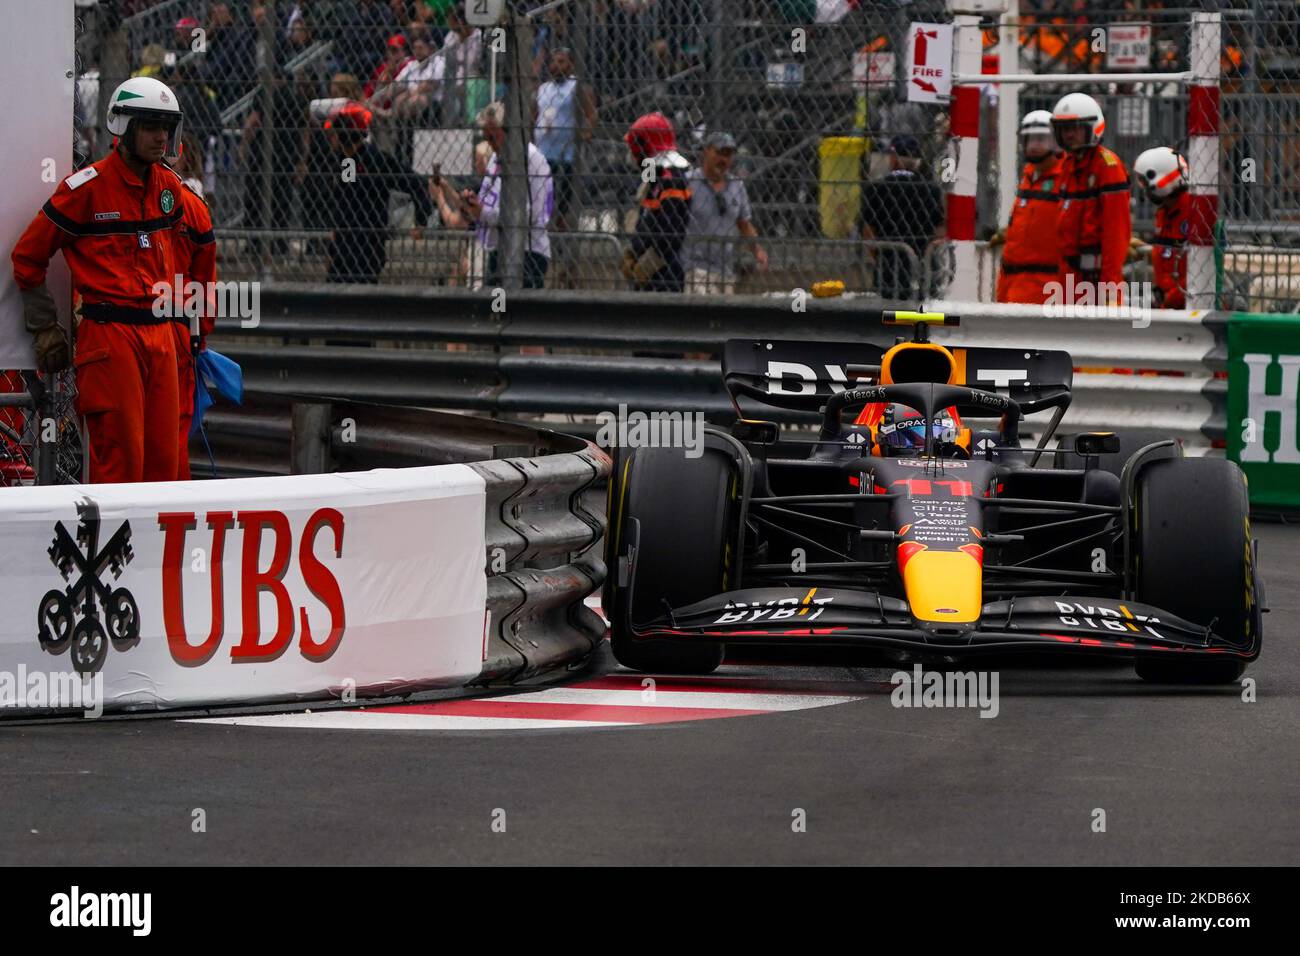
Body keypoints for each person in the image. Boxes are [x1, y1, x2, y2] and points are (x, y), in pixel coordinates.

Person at [11, 77, 188, 483]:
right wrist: (43, 327)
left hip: (161, 339)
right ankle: (112, 550)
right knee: (121, 466)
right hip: (111, 340)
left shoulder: (170, 189)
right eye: (150, 125)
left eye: (166, 126)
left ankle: (156, 549)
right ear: (123, 126)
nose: (161, 137)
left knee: (167, 467)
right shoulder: (85, 190)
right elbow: (27, 256)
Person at [444, 102, 554, 289]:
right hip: (498, 249)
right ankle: (499, 316)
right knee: (497, 307)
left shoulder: (534, 161)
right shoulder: (497, 158)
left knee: (521, 310)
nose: (491, 145)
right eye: (487, 139)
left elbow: (532, 215)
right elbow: (488, 198)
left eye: (494, 138)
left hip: (528, 252)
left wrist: (486, 213)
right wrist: (474, 204)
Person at [323, 102, 433, 283]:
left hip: (368, 244)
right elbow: (346, 200)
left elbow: (416, 183)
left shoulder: (377, 160)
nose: (331, 138)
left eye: (335, 133)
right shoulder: (347, 160)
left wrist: (420, 220)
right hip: (345, 244)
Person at [1051, 92, 1132, 305]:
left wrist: (1110, 287)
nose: (1069, 135)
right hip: (1068, 277)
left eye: (1076, 128)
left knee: (1096, 337)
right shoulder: (1068, 165)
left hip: (1095, 280)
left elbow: (1116, 232)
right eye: (1065, 129)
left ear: (1092, 127)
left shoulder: (1108, 167)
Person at [166, 152, 218, 480]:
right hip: (173, 329)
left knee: (170, 437)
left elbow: (205, 283)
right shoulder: (192, 203)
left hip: (175, 331)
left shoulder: (191, 204)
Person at [859, 134, 945, 300]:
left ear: (893, 158)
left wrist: (879, 256)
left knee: (888, 312)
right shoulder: (931, 190)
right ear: (917, 161)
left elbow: (868, 232)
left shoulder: (877, 188)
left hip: (889, 267)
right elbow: (939, 232)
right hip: (922, 268)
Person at [681, 131, 767, 295]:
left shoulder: (737, 186)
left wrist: (757, 250)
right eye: (719, 153)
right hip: (694, 267)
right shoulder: (689, 181)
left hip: (725, 269)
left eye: (728, 155)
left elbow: (744, 224)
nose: (723, 160)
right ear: (706, 151)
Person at [994, 110, 1065, 304]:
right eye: (1030, 139)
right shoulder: (1028, 177)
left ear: (1055, 141)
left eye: (1041, 139)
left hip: (1044, 284)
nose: (1034, 146)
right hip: (1012, 280)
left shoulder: (1065, 178)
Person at [622, 112, 692, 292]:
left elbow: (671, 236)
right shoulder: (653, 174)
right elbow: (643, 217)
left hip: (664, 276)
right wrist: (632, 252)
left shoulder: (672, 180)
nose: (631, 153)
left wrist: (645, 266)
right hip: (648, 275)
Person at [532, 47, 597, 232]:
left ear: (571, 65)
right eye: (553, 62)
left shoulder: (577, 87)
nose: (556, 66)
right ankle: (543, 224)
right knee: (542, 191)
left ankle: (560, 228)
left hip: (566, 152)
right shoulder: (544, 88)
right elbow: (534, 114)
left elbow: (591, 114)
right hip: (543, 149)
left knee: (564, 196)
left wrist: (586, 132)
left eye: (561, 62)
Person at [1133, 146, 1190, 309]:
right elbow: (1169, 253)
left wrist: (1170, 298)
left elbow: (1202, 267)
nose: (1144, 190)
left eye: (1145, 182)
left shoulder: (1193, 210)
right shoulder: (1164, 212)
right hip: (1169, 302)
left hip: (1185, 304)